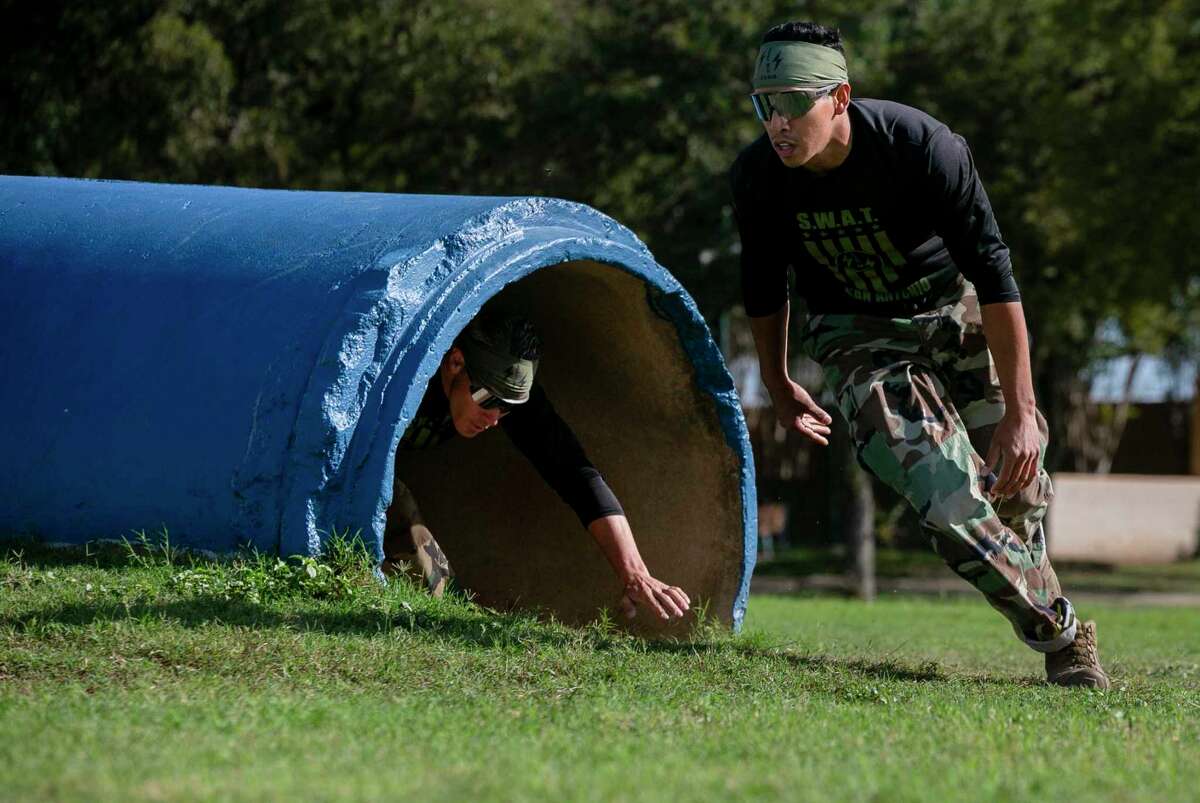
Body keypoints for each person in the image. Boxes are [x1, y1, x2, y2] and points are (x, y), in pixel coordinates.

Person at [730, 21, 1109, 687]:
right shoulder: (759, 177)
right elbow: (763, 287)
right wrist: (777, 378)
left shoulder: (920, 146)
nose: (778, 124)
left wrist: (1022, 411)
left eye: (793, 103)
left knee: (1019, 486)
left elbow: (995, 276)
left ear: (840, 96)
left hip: (952, 312)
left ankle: (1054, 620)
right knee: (949, 498)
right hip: (857, 336)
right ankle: (1063, 632)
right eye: (764, 105)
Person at [383, 310, 691, 622]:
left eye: (506, 408)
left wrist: (635, 573)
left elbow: (575, 474)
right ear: (455, 362)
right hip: (354, 468)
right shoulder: (405, 373)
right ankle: (441, 614)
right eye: (488, 399)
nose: (493, 419)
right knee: (394, 500)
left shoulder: (503, 390)